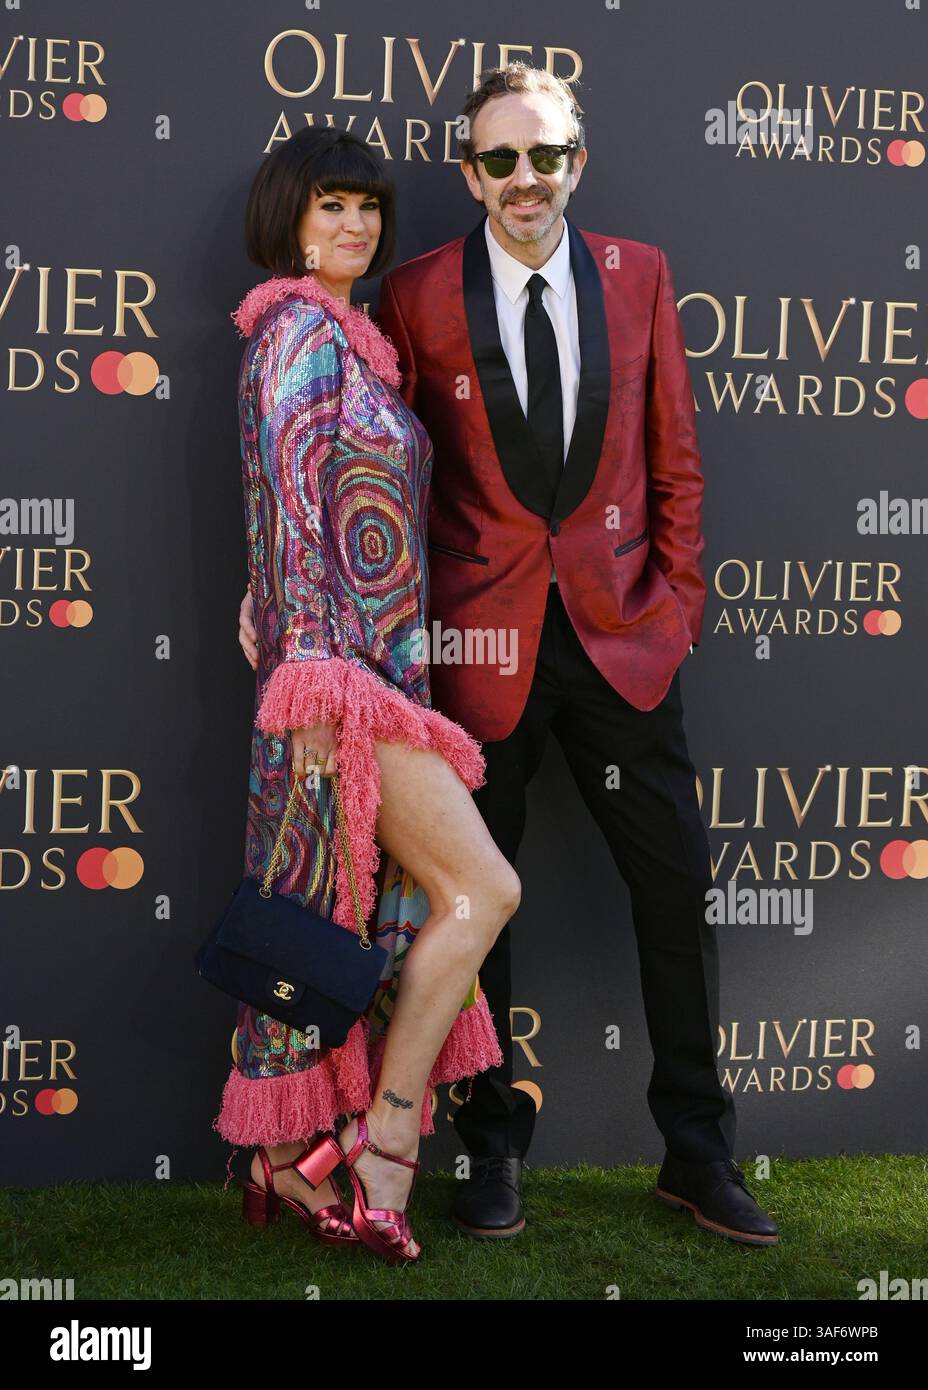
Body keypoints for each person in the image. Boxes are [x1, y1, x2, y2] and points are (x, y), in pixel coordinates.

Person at [239, 64, 778, 1248]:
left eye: (544, 155)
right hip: (475, 653)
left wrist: (673, 606)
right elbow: (346, 468)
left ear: (575, 159)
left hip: (626, 647)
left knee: (674, 887)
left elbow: (675, 461)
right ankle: (491, 1153)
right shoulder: (414, 292)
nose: (523, 178)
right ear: (469, 172)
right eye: (498, 160)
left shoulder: (640, 277)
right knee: (482, 903)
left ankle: (699, 1149)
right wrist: (272, 591)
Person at [213, 125, 520, 1266]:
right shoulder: (295, 333)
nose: (353, 227)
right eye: (329, 207)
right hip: (342, 682)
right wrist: (319, 666)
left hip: (373, 674)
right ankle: (380, 1146)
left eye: (367, 209)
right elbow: (293, 511)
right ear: (289, 218)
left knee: (407, 907)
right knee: (481, 888)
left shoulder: (354, 342)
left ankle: (305, 1158)